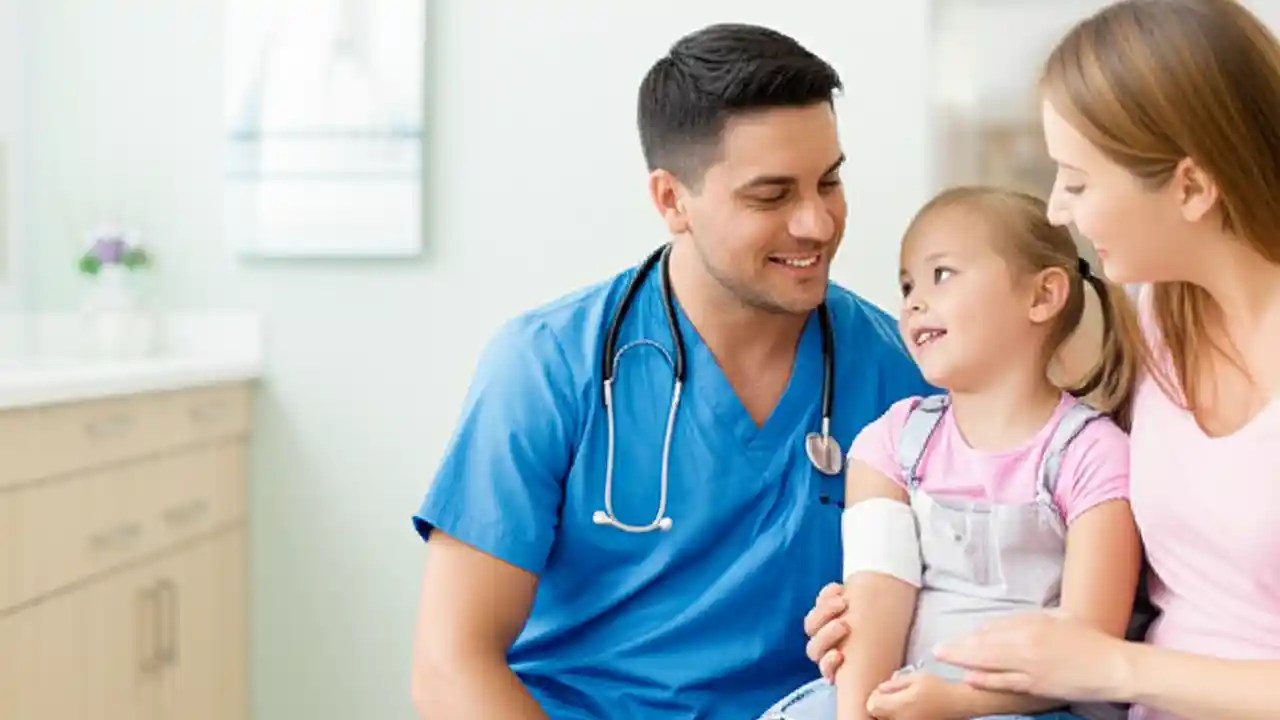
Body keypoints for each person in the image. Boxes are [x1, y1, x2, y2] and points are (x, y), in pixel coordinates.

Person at [407, 22, 933, 720]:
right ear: (670, 200)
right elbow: (451, 665)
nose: (817, 223)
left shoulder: (902, 372)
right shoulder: (547, 365)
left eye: (829, 181)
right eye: (771, 196)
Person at [803, 1, 1280, 718]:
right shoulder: (1157, 324)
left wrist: (1116, 668)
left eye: (1079, 182)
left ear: (1190, 185)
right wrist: (880, 605)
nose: (1056, 210)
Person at [759, 188, 1144, 720]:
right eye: (907, 285)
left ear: (1042, 296)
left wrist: (960, 702)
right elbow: (876, 604)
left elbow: (1090, 649)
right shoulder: (890, 444)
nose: (914, 301)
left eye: (941, 275)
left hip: (1044, 705)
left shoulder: (1094, 454)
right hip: (906, 697)